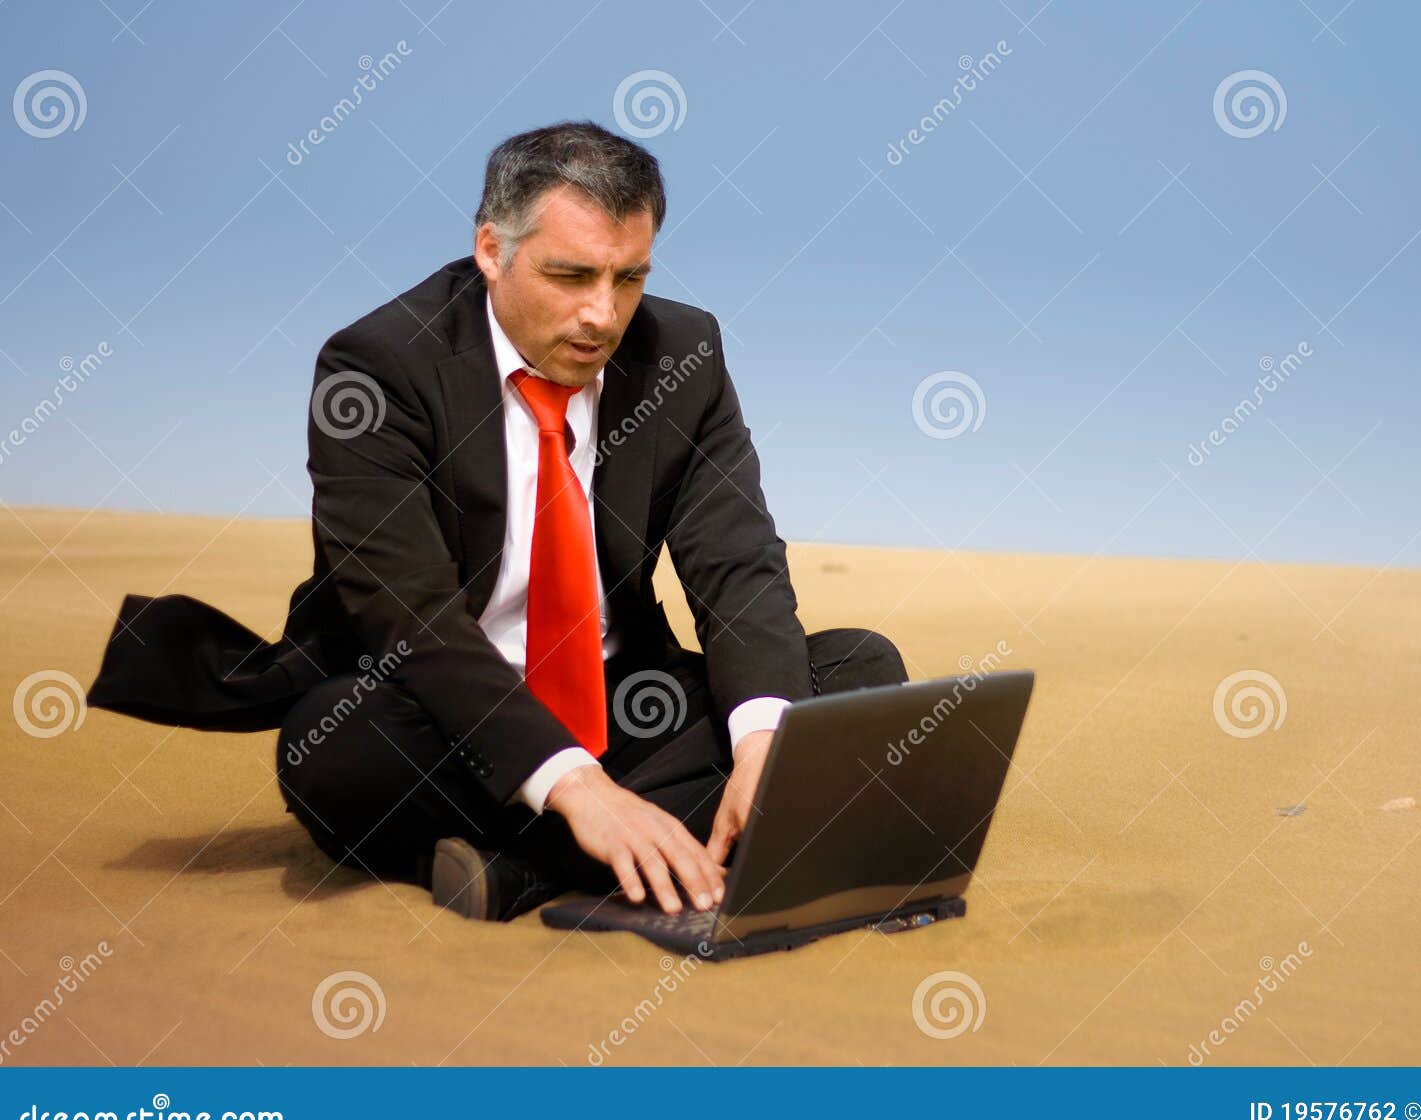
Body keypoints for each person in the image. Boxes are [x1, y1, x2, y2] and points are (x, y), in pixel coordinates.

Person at [86, 120, 906, 922]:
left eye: (628, 278)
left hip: (627, 701)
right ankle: (632, 832)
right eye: (570, 275)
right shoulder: (377, 369)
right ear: (491, 250)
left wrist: (766, 746)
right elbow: (411, 615)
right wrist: (574, 784)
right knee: (332, 747)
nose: (602, 314)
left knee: (858, 671)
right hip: (443, 704)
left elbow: (736, 562)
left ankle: (523, 870)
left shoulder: (682, 354)